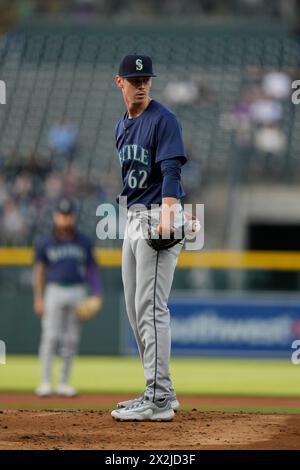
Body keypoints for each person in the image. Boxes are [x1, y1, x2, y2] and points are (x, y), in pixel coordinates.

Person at [111, 54, 187, 421]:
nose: (141, 84)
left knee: (151, 308)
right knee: (133, 308)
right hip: (134, 218)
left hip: (159, 216)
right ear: (119, 82)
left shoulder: (164, 119)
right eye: (134, 79)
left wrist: (169, 216)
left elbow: (171, 170)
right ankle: (161, 390)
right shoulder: (121, 126)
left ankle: (157, 399)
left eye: (146, 79)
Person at [34, 198, 103, 397]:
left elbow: (92, 269)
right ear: (56, 217)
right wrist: (38, 298)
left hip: (77, 290)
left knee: (71, 339)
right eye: (62, 215)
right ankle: (45, 382)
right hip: (53, 290)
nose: (65, 219)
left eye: (68, 215)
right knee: (50, 337)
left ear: (73, 217)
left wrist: (97, 293)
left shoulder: (83, 241)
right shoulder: (45, 242)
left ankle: (64, 382)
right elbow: (39, 271)